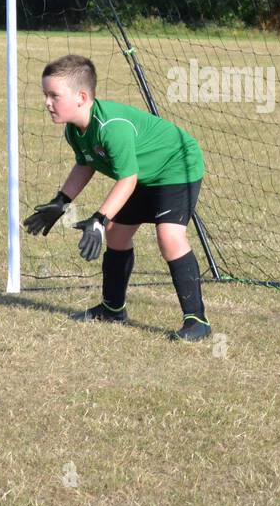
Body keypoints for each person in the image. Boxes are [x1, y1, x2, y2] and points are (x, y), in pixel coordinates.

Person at [24, 54, 212, 342]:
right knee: (117, 235)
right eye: (45, 95)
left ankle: (197, 321)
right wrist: (62, 201)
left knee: (169, 237)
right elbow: (86, 163)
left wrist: (98, 219)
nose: (47, 102)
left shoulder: (112, 127)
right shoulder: (75, 130)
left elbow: (128, 180)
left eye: (53, 95)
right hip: (143, 174)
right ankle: (113, 309)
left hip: (177, 166)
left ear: (81, 97)